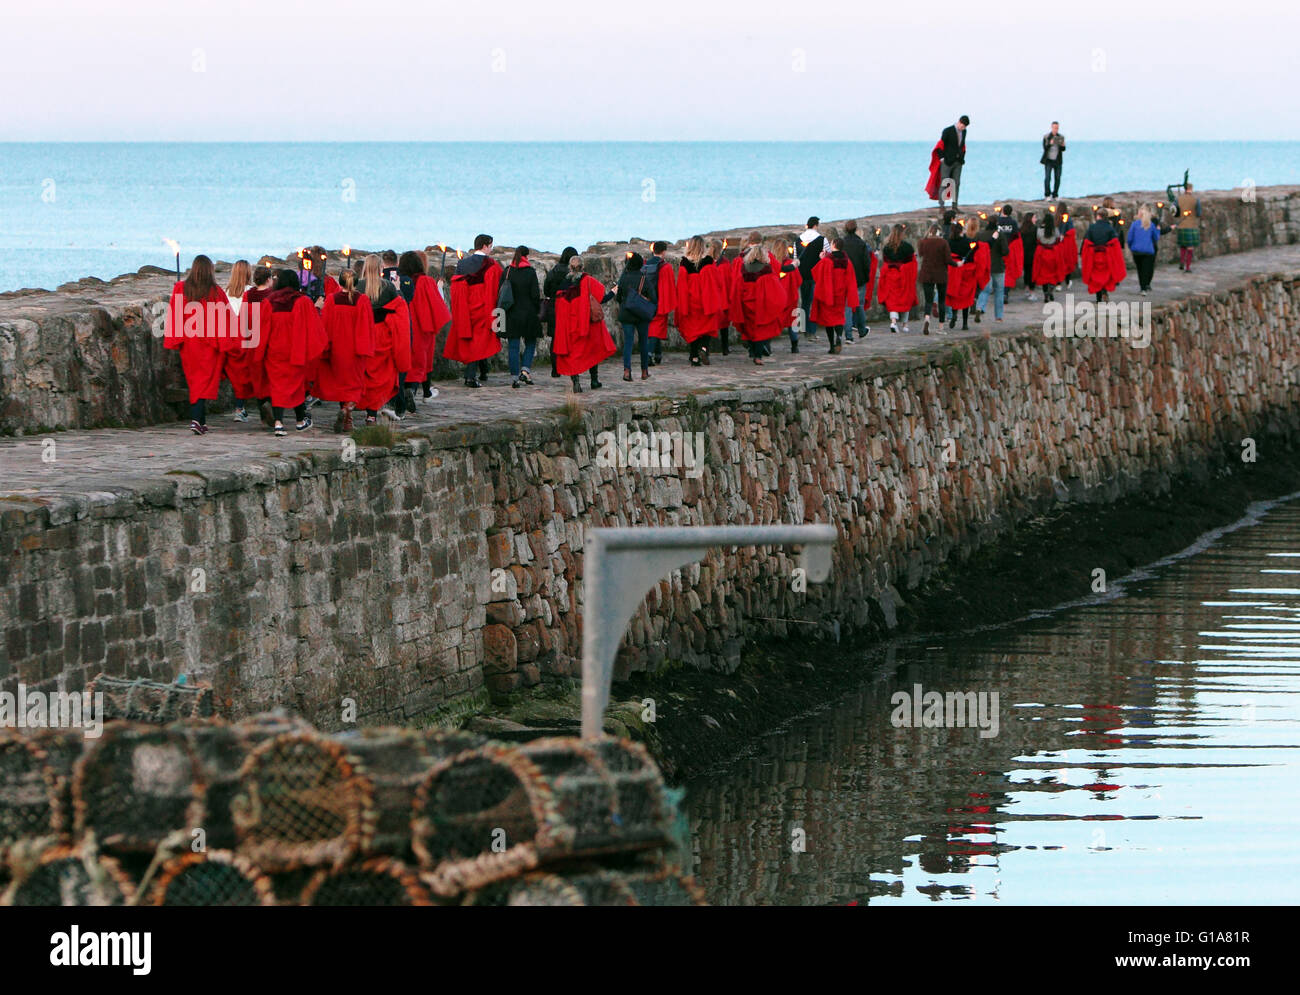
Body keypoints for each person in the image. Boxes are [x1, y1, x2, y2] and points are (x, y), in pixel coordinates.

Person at [164, 254, 234, 436]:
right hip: (210, 343)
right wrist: (226, 342)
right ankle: (197, 420)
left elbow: (175, 314)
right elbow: (226, 318)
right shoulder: (216, 291)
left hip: (189, 343)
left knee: (195, 382)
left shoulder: (181, 288)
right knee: (205, 382)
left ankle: (199, 421)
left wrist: (175, 340)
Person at [264, 268, 327, 435]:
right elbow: (313, 328)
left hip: (274, 350)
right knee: (297, 386)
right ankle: (300, 421)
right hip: (295, 351)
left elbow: (262, 329)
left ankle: (278, 423)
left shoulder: (269, 301)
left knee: (277, 388)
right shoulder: (303, 301)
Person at [316, 268, 374, 433]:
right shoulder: (362, 300)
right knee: (356, 385)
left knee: (342, 385)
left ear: (340, 282)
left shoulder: (332, 299)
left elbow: (325, 324)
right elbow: (366, 326)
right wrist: (366, 347)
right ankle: (348, 409)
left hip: (337, 349)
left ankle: (347, 421)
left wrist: (326, 347)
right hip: (355, 349)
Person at [357, 254, 411, 424]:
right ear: (380, 268)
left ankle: (350, 408)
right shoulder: (387, 287)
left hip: (362, 332)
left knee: (363, 373)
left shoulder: (358, 286)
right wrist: (398, 289)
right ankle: (372, 414)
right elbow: (400, 307)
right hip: (381, 334)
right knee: (380, 376)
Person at [446, 234, 504, 387]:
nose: (491, 249)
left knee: (472, 340)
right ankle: (470, 376)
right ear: (484, 246)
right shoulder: (491, 264)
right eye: (490, 246)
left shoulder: (462, 264)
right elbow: (496, 288)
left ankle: (484, 371)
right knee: (479, 342)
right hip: (482, 306)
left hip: (464, 307)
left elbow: (456, 287)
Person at [552, 255, 616, 392]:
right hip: (585, 324)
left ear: (570, 267)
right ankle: (594, 380)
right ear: (583, 267)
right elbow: (601, 298)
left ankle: (576, 381)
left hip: (568, 325)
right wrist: (613, 292)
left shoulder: (564, 284)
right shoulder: (588, 280)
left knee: (572, 355)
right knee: (592, 351)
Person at [397, 250, 451, 408]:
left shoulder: (399, 281)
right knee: (422, 362)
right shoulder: (425, 281)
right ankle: (413, 392)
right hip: (422, 326)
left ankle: (408, 391)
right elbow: (436, 304)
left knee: (405, 360)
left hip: (403, 325)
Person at [730, 244, 787, 364]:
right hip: (760, 304)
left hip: (746, 303)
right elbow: (774, 289)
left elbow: (738, 287)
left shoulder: (744, 268)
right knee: (761, 331)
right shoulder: (766, 269)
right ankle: (758, 356)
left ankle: (751, 348)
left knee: (750, 328)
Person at [676, 236, 723, 365]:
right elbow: (716, 282)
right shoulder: (708, 261)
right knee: (708, 326)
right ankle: (703, 348)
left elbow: (681, 285)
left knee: (692, 329)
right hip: (705, 301)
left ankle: (694, 357)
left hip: (690, 301)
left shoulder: (684, 263)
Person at [502, 246, 542, 388]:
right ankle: (525, 370)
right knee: (530, 343)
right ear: (527, 256)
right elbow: (535, 295)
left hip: (511, 313)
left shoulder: (507, 271)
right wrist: (537, 310)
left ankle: (514, 377)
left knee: (513, 346)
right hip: (528, 314)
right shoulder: (530, 272)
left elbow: (501, 292)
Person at [222, 260, 256, 422]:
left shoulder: (226, 292)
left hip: (230, 336)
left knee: (236, 375)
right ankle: (242, 407)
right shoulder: (251, 291)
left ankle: (239, 408)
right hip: (248, 335)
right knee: (248, 373)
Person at [615, 251, 655, 381]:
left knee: (628, 343)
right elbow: (653, 298)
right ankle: (644, 371)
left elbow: (618, 297)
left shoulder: (624, 278)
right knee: (644, 342)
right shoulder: (644, 278)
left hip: (627, 314)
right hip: (641, 314)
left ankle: (627, 371)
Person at [878, 225, 918, 334]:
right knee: (905, 298)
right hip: (904, 276)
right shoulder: (908, 247)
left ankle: (894, 322)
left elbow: (885, 261)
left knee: (893, 300)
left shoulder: (887, 248)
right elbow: (911, 262)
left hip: (891, 275)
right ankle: (905, 325)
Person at [543, 246, 577, 377]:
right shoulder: (572, 273)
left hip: (553, 306)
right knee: (570, 338)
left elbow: (546, 289)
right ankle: (569, 366)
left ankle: (555, 369)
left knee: (555, 338)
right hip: (569, 307)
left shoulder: (553, 271)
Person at [1081, 207, 1125, 302]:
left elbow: (1087, 241)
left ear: (1098, 216)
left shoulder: (1092, 227)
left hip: (1094, 255)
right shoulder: (1110, 228)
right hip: (1106, 255)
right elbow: (1115, 241)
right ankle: (1104, 292)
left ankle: (1098, 297)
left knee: (1095, 277)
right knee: (1106, 276)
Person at [643, 241, 676, 366]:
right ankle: (650, 354)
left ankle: (658, 354)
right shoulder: (666, 267)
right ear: (664, 251)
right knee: (656, 329)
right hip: (660, 301)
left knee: (651, 328)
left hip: (646, 301)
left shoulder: (645, 264)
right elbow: (669, 286)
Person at [768, 236, 803, 353]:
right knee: (793, 323)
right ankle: (794, 346)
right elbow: (799, 280)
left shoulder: (772, 265)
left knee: (772, 323)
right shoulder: (790, 264)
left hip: (775, 299)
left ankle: (767, 345)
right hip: (790, 297)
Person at [841, 219, 874, 341]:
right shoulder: (861, 244)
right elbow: (867, 263)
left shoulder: (842, 243)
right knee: (859, 305)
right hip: (859, 279)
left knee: (847, 307)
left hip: (846, 279)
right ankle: (861, 329)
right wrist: (866, 277)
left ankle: (848, 335)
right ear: (856, 229)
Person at [946, 222, 979, 329]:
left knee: (956, 295)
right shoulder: (967, 242)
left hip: (953, 271)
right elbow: (975, 249)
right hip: (966, 271)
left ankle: (954, 314)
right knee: (966, 297)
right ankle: (965, 324)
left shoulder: (949, 242)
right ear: (961, 231)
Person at [917, 223, 949, 335]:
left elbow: (920, 254)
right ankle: (941, 327)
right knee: (941, 300)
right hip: (941, 274)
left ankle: (926, 319)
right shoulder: (943, 243)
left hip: (927, 273)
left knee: (928, 300)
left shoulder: (923, 242)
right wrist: (957, 264)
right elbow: (948, 259)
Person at [975, 217, 1008, 322]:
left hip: (985, 266)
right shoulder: (1000, 235)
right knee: (999, 291)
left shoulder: (980, 235)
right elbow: (1005, 251)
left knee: (985, 289)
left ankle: (980, 307)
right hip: (998, 266)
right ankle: (998, 316)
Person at [797, 217, 824, 340]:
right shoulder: (822, 240)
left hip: (802, 274)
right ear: (816, 225)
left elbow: (795, 258)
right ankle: (811, 331)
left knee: (804, 303)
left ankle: (802, 328)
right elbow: (826, 255)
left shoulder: (798, 240)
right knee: (812, 304)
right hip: (814, 275)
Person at [707, 238, 734, 354]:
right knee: (724, 326)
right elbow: (729, 281)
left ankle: (706, 348)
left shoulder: (707, 263)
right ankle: (725, 347)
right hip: (722, 298)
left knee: (709, 325)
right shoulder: (725, 263)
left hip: (711, 298)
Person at [1032, 211, 1064, 303]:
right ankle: (1051, 290)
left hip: (1042, 253)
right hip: (1053, 253)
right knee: (1053, 274)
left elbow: (1037, 240)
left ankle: (1046, 293)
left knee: (1044, 275)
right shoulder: (1055, 229)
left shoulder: (1039, 230)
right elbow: (1058, 240)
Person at [1127, 205, 1160, 294]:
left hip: (1136, 250)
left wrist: (1131, 246)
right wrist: (1158, 230)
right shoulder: (1151, 225)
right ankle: (1144, 288)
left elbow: (1129, 238)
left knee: (1140, 269)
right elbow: (1156, 238)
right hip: (1148, 251)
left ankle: (1142, 287)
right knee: (1146, 269)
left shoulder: (1134, 224)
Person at [938, 116, 969, 208]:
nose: (963, 128)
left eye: (965, 127)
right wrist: (942, 158)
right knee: (944, 182)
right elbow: (941, 144)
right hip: (947, 161)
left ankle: (954, 206)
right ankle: (942, 206)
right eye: (962, 126)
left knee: (956, 183)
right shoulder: (948, 131)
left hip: (958, 161)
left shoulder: (964, 132)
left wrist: (962, 156)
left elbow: (962, 145)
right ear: (959, 122)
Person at [997, 205, 1022, 306]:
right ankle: (1005, 293)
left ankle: (998, 292)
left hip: (998, 250)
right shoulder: (1013, 222)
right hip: (1009, 249)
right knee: (1008, 273)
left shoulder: (998, 221)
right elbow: (1016, 236)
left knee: (998, 272)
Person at [1176, 181, 1202, 271]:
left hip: (1181, 224)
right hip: (1191, 225)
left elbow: (1175, 212)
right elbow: (1199, 213)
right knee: (1190, 247)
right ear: (1191, 189)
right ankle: (1187, 267)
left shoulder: (1178, 199)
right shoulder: (1196, 200)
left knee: (1183, 246)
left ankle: (1182, 262)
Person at [1041, 122, 1065, 199]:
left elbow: (1063, 149)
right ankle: (1047, 195)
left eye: (1057, 128)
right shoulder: (1047, 136)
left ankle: (1055, 194)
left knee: (1057, 178)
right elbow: (1045, 148)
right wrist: (1050, 143)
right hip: (1048, 160)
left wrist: (1063, 145)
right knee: (1048, 178)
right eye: (1054, 128)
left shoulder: (1060, 137)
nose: (1055, 129)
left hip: (1057, 161)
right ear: (1051, 127)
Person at [1020, 211, 1039, 301]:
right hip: (1032, 253)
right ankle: (1031, 291)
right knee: (1032, 273)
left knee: (1026, 272)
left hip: (1023, 253)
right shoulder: (1035, 229)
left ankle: (1026, 288)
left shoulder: (1022, 229)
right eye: (1034, 217)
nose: (1036, 219)